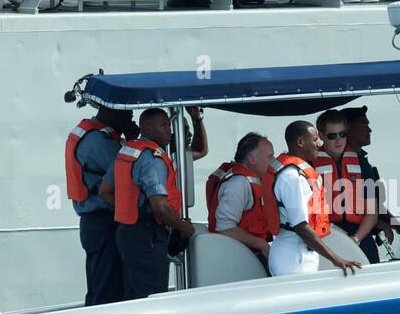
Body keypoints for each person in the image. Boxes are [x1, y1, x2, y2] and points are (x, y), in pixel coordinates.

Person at [103, 108, 197, 300]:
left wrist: (130, 211)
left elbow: (105, 190)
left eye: (169, 125)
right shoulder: (152, 158)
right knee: (152, 296)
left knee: (133, 294)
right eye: (163, 125)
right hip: (148, 235)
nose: (169, 130)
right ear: (146, 127)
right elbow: (160, 206)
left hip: (127, 233)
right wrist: (184, 228)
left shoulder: (127, 151)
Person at [269, 120, 361, 276]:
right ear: (300, 142)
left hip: (302, 251)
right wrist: (336, 259)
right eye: (314, 139)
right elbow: (301, 227)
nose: (319, 144)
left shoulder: (301, 173)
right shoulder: (292, 178)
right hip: (292, 256)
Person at [66, 105, 133, 305]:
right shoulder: (99, 141)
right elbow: (129, 169)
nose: (131, 122)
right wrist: (132, 140)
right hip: (104, 221)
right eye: (127, 115)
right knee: (108, 289)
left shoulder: (92, 133)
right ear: (113, 113)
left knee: (100, 284)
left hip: (95, 222)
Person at [342, 106, 400, 261]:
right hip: (353, 237)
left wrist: (398, 226)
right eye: (364, 125)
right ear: (349, 129)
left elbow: (373, 203)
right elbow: (345, 205)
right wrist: (378, 223)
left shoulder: (360, 161)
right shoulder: (346, 165)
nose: (370, 130)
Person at [314, 109, 380, 262]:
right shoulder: (311, 164)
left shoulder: (361, 163)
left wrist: (355, 240)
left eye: (342, 134)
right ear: (321, 136)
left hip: (360, 236)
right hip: (326, 237)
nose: (339, 140)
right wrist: (337, 237)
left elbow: (372, 211)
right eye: (332, 136)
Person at [206, 132, 280, 266]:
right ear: (252, 159)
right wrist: (262, 245)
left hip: (247, 255)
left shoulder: (250, 180)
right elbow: (225, 227)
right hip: (239, 259)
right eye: (270, 156)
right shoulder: (238, 183)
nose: (273, 161)